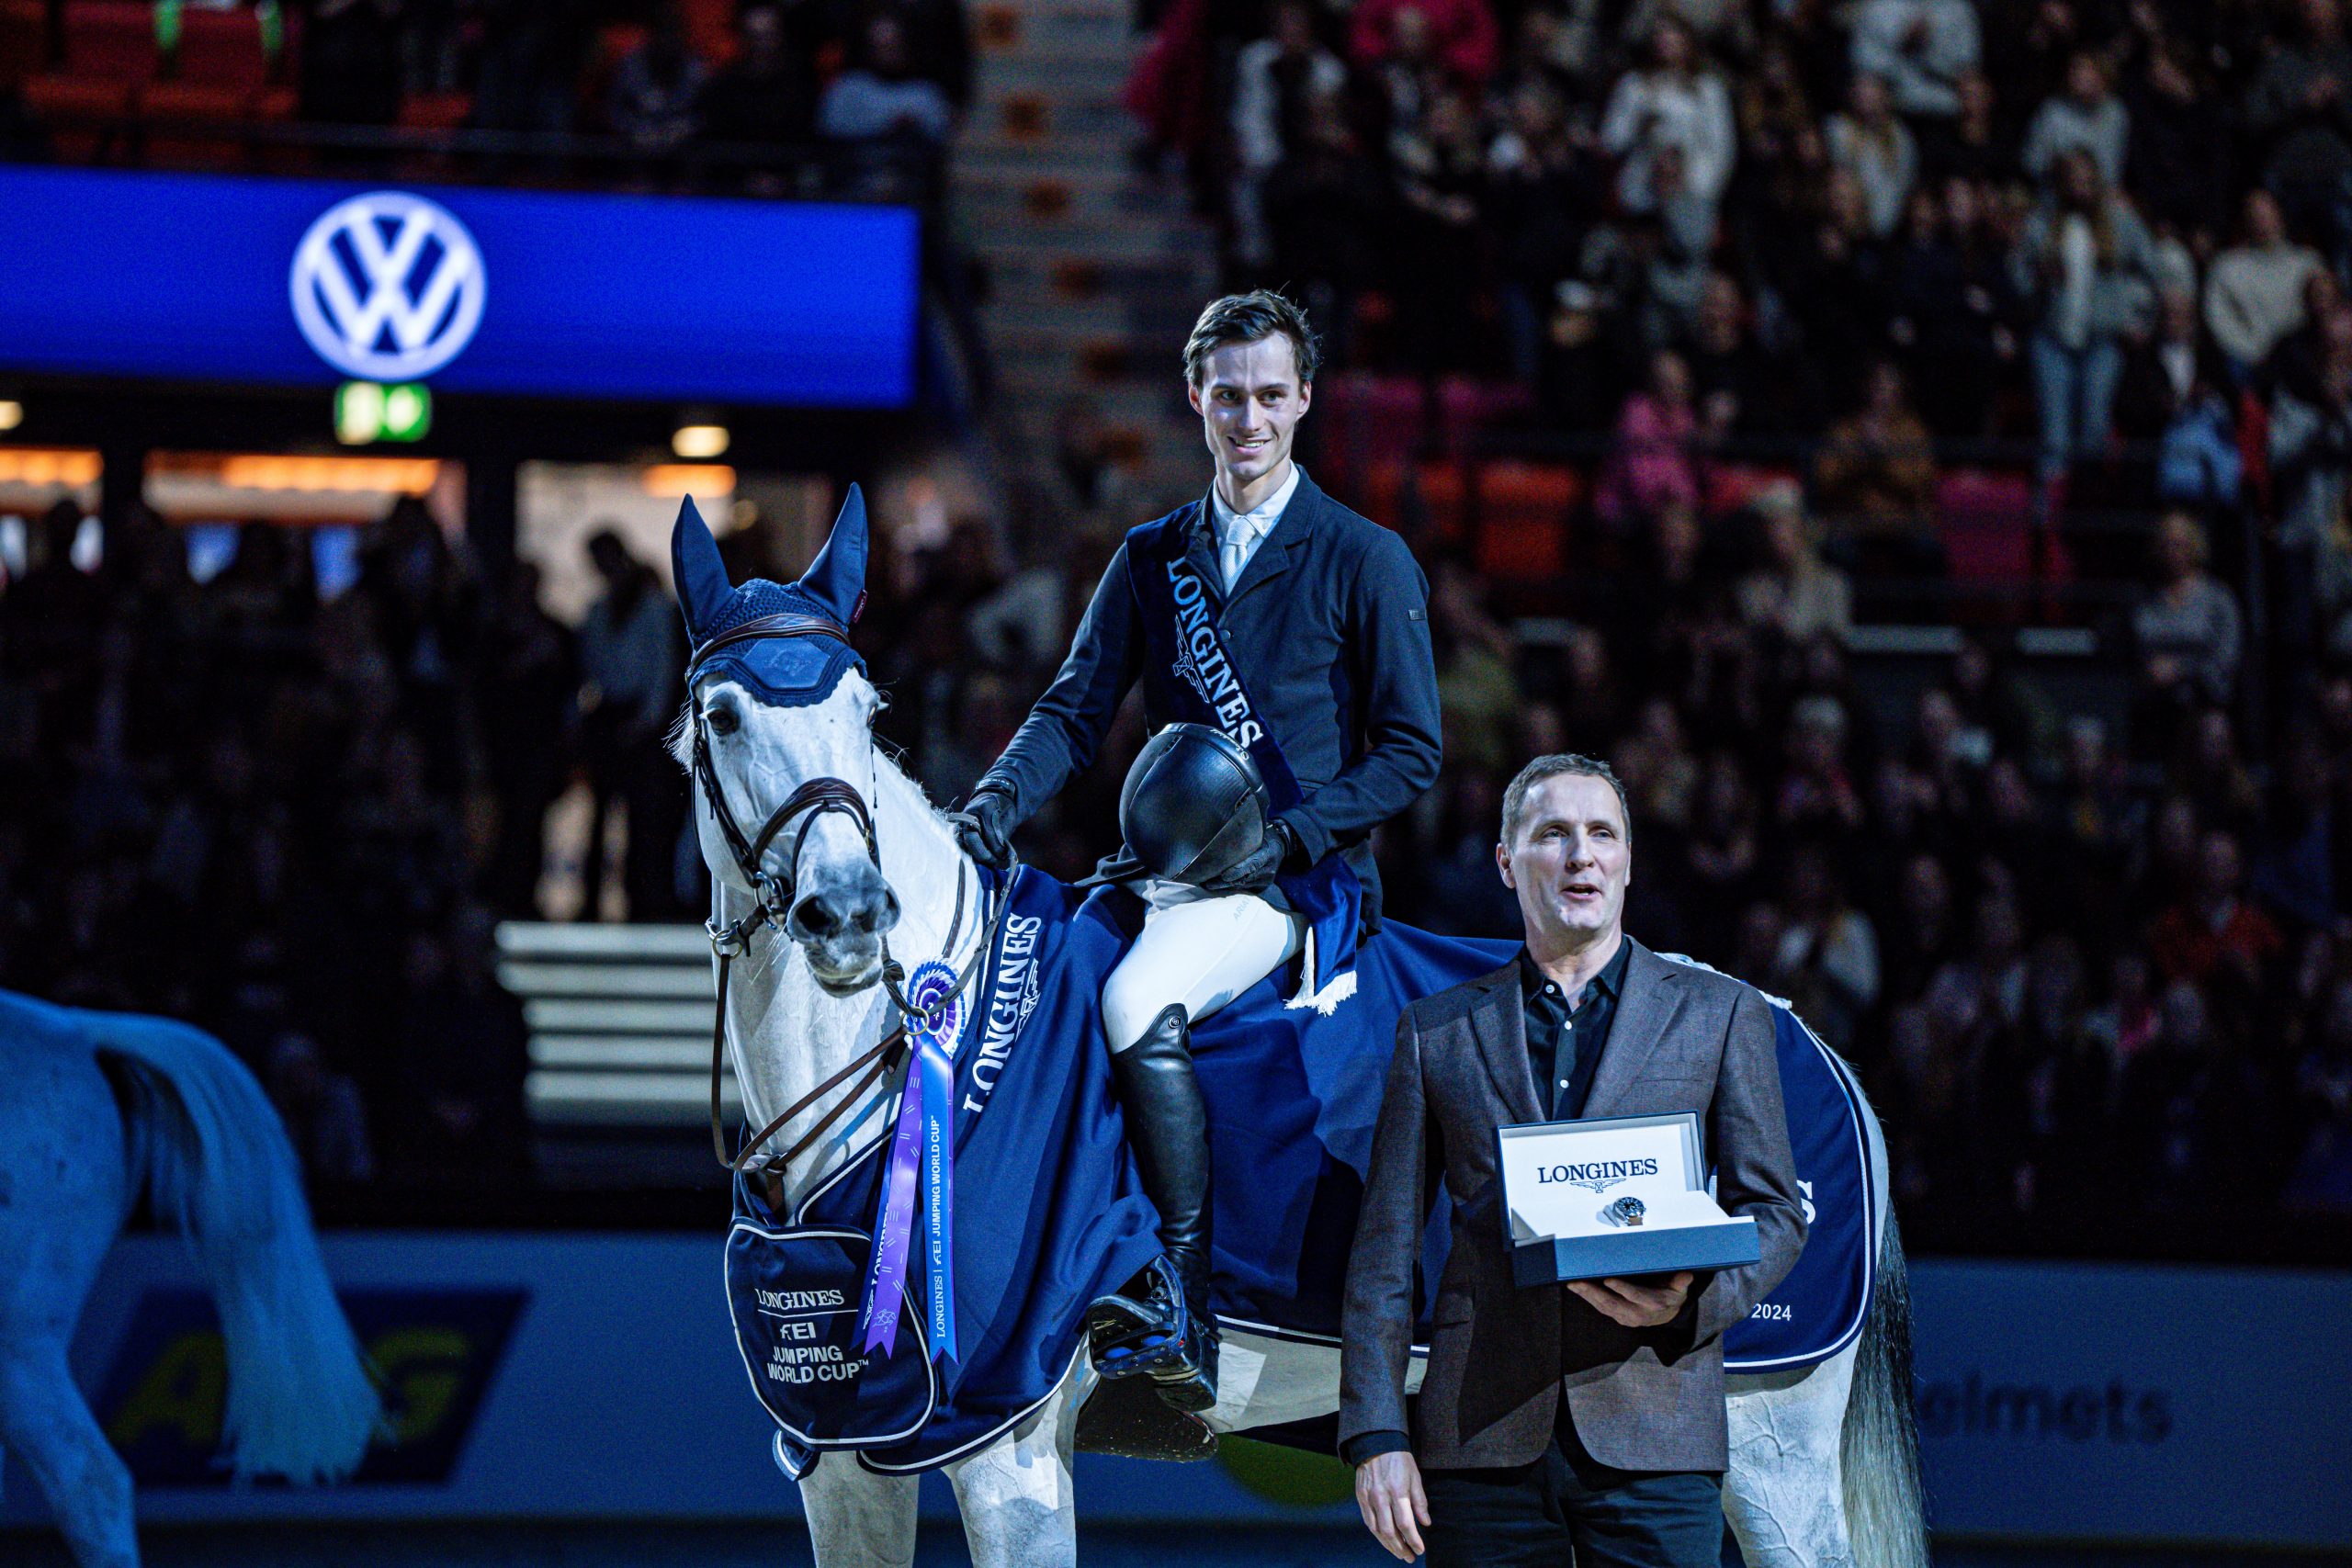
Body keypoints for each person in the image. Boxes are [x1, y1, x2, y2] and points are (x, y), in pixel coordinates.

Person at [953, 291, 1443, 1411]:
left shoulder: (1364, 557)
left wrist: (1293, 835)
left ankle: (1180, 1300)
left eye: (1270, 395)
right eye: (1229, 396)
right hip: (1167, 870)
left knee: (1135, 1002)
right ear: (1195, 399)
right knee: (1042, 979)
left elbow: (1412, 750)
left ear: (1304, 398)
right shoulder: (1151, 556)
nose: (1249, 418)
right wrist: (990, 804)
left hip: (1294, 883)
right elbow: (1073, 711)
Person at [1341, 754, 1805, 1566]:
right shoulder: (1436, 1030)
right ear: (1505, 861)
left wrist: (1686, 1305)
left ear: (1628, 861)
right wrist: (1377, 1432)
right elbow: (1384, 1252)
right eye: (1553, 833)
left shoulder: (1721, 1013)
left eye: (1602, 833)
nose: (1580, 854)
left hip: (1658, 1432)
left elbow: (1775, 1213)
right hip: (1478, 1435)